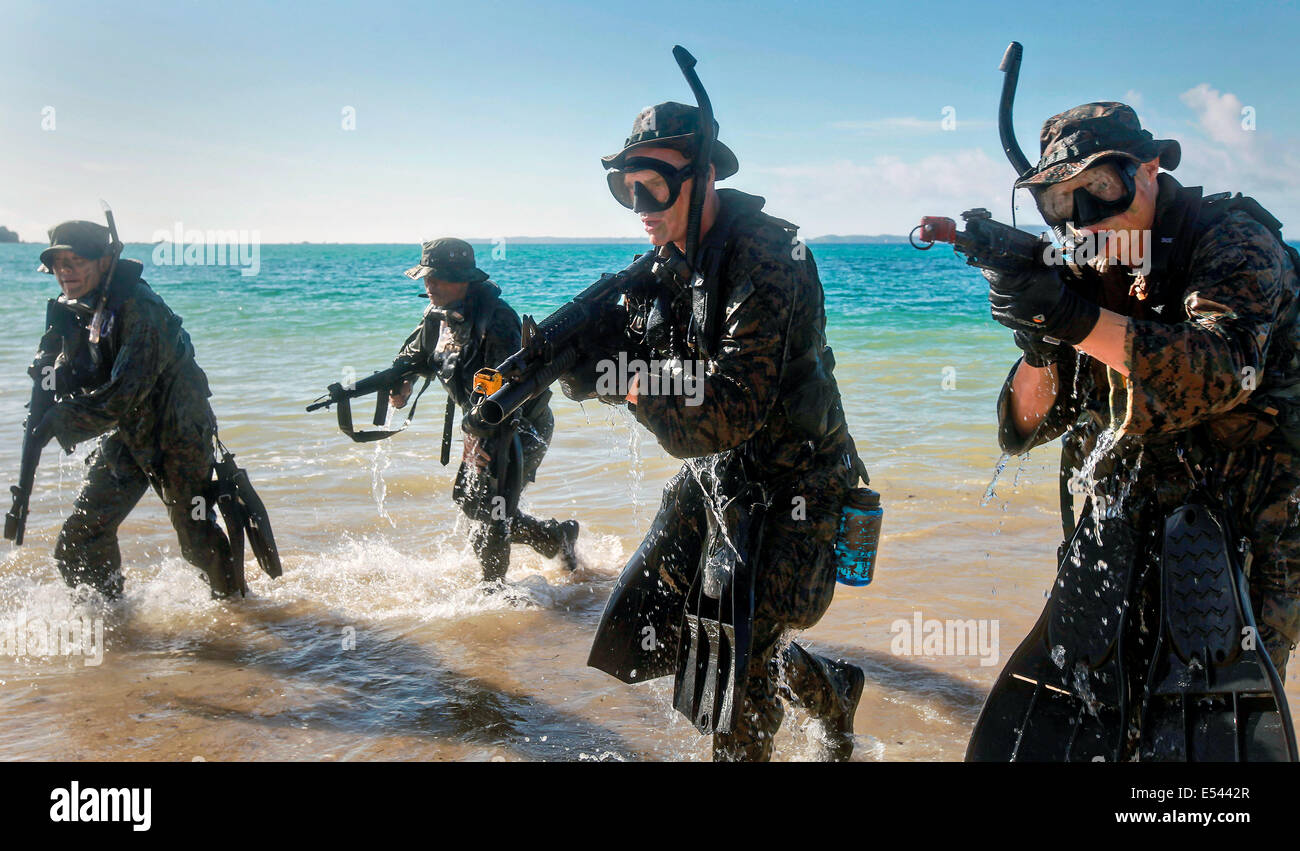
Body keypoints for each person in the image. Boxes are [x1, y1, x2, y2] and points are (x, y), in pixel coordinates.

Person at [970, 102, 1300, 761]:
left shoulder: (1232, 241)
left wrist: (1074, 318)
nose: (1085, 222)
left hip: (1234, 558)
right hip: (1113, 542)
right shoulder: (1089, 273)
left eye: (1100, 191)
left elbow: (1219, 370)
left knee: (1204, 748)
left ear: (1149, 168)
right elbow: (1022, 430)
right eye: (1061, 204)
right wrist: (1039, 342)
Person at [566, 102, 868, 761]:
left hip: (797, 473)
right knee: (669, 621)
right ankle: (834, 690)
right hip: (720, 472)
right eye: (624, 188)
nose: (638, 203)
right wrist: (576, 360)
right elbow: (653, 359)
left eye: (651, 184)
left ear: (702, 177)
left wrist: (624, 379)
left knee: (742, 652)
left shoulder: (769, 254)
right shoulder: (664, 261)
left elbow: (729, 404)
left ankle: (801, 713)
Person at [30, 219, 242, 598]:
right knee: (81, 535)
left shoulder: (142, 311)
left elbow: (121, 394)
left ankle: (237, 612)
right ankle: (110, 618)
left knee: (195, 536)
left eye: (76, 261)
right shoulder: (82, 305)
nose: (66, 271)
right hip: (128, 432)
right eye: (59, 263)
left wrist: (58, 420)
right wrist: (52, 376)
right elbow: (79, 366)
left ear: (105, 262)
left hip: (178, 432)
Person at [390, 238, 578, 583]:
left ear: (464, 280)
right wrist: (404, 379)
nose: (429, 285)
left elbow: (501, 385)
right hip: (477, 425)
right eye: (427, 277)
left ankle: (493, 596)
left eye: (438, 277)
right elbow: (413, 355)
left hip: (520, 425)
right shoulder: (437, 315)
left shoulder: (497, 319)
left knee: (493, 516)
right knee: (470, 503)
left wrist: (476, 433)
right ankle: (555, 538)